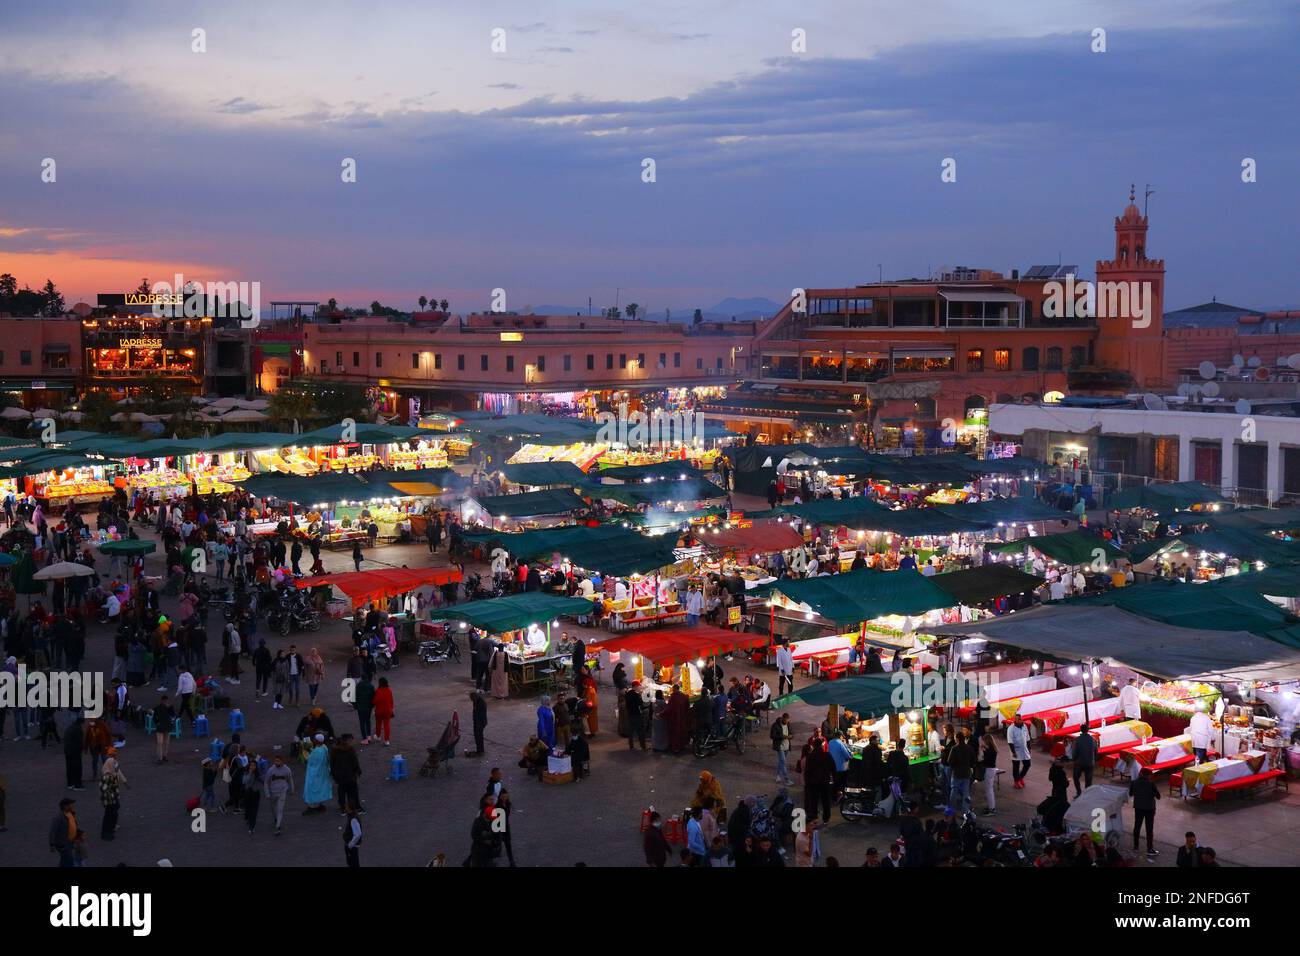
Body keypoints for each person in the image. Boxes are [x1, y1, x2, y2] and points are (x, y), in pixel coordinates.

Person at [1129, 767, 1160, 858]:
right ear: (1148, 775)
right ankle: (1149, 849)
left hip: (1138, 808)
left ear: (1140, 773)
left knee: (1137, 827)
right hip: (1149, 809)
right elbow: (1158, 796)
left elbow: (1131, 794)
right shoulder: (1151, 784)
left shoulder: (1134, 783)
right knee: (1149, 829)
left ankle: (1135, 847)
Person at [802, 737, 834, 825]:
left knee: (814, 801)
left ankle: (814, 818)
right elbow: (833, 768)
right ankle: (826, 818)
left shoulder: (810, 756)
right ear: (821, 745)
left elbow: (807, 771)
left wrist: (807, 782)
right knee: (825, 800)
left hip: (813, 783)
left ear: (814, 745)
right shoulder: (827, 755)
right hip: (824, 781)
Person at [302, 734, 333, 814]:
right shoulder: (324, 747)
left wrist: (305, 752)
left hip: (315, 773)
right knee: (321, 788)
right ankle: (320, 805)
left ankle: (311, 807)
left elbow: (309, 759)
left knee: (312, 789)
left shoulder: (317, 751)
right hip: (323, 771)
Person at [98, 752, 125, 841]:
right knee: (109, 817)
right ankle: (107, 833)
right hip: (110, 800)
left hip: (112, 799)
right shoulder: (108, 776)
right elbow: (104, 789)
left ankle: (109, 832)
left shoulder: (111, 774)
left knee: (111, 816)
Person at [49, 797, 83, 868]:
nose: (72, 806)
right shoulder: (58, 818)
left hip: (70, 842)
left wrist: (78, 834)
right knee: (69, 861)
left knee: (65, 861)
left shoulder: (70, 814)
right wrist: (52, 844)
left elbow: (73, 825)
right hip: (63, 844)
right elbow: (53, 831)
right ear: (65, 806)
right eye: (70, 804)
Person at [265, 754, 294, 835]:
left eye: (278, 761)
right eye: (275, 761)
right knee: (272, 808)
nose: (276, 762)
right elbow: (266, 782)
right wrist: (267, 793)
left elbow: (290, 779)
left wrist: (292, 789)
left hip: (282, 792)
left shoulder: (287, 770)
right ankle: (276, 819)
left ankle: (278, 827)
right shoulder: (271, 770)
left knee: (280, 809)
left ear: (282, 761)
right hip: (272, 792)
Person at [947, 731, 975, 812]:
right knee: (966, 793)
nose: (955, 740)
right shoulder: (969, 748)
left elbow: (949, 761)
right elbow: (973, 760)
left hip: (956, 773)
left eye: (955, 738)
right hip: (966, 773)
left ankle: (951, 810)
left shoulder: (954, 748)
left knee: (954, 791)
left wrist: (955, 765)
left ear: (958, 739)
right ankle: (966, 810)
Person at [1006, 713, 1032, 789]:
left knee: (1027, 764)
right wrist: (1013, 752)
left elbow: (1027, 738)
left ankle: (1020, 777)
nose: (1020, 720)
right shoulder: (1011, 729)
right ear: (1015, 720)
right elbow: (1010, 741)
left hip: (1024, 749)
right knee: (1016, 766)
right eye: (1018, 719)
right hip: (1015, 749)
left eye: (1021, 719)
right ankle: (1016, 781)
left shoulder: (1024, 726)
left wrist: (1029, 748)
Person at [1071, 726, 1097, 797]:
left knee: (1076, 777)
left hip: (1079, 762)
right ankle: (1086, 795)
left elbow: (1074, 752)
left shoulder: (1077, 740)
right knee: (1088, 781)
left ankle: (1079, 792)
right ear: (1088, 730)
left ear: (1081, 730)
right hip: (1090, 762)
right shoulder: (1093, 740)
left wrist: (1074, 759)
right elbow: (1096, 751)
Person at [978, 733, 998, 815]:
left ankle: (992, 809)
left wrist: (980, 760)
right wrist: (984, 749)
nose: (983, 743)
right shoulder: (992, 749)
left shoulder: (991, 750)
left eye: (984, 741)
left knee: (989, 789)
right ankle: (991, 806)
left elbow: (986, 760)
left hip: (989, 770)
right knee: (989, 789)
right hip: (991, 769)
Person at [63, 717, 85, 790]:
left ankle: (70, 783)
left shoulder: (69, 728)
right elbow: (80, 742)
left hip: (68, 751)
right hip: (75, 752)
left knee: (70, 768)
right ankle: (77, 785)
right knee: (77, 768)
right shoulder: (78, 730)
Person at [771, 712, 793, 785]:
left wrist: (790, 736)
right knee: (783, 762)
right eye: (785, 720)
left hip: (787, 746)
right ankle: (786, 779)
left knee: (781, 761)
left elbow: (792, 733)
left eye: (788, 720)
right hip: (780, 746)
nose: (787, 721)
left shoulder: (788, 724)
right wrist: (783, 736)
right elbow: (772, 736)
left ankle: (778, 775)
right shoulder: (775, 725)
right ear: (782, 718)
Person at [828, 730, 851, 797]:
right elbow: (847, 756)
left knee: (836, 783)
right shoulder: (840, 743)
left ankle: (835, 797)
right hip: (842, 768)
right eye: (842, 736)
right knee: (842, 783)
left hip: (833, 767)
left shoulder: (830, 742)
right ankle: (842, 797)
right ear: (840, 736)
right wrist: (845, 745)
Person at [372, 677, 395, 746]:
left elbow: (374, 701)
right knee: (386, 725)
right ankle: (387, 740)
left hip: (379, 711)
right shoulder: (389, 690)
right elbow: (391, 701)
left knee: (378, 724)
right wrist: (391, 709)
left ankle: (378, 736)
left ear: (380, 683)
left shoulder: (378, 691)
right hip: (388, 710)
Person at [625, 683, 647, 750]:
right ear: (635, 686)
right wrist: (640, 695)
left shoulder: (627, 694)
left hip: (630, 714)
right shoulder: (636, 695)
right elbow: (640, 704)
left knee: (631, 731)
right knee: (640, 731)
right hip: (636, 714)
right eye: (638, 686)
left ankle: (631, 746)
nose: (639, 688)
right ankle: (643, 746)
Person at [467, 690, 488, 757]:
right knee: (477, 736)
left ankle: (480, 751)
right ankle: (479, 750)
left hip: (480, 723)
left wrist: (478, 724)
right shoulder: (476, 701)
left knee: (479, 736)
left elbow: (481, 715)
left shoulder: (480, 703)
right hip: (477, 722)